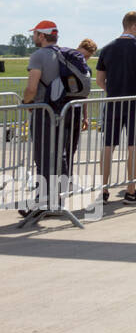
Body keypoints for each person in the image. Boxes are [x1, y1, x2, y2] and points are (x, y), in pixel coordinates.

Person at [19, 21, 76, 215]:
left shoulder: (38, 55)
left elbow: (32, 87)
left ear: (42, 36)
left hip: (44, 111)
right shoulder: (63, 53)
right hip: (63, 110)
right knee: (60, 153)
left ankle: (43, 201)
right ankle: (57, 197)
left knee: (43, 156)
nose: (33, 37)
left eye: (35, 33)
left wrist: (27, 102)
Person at [96, 12, 136, 202]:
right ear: (135, 26)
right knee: (134, 146)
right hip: (134, 102)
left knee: (108, 146)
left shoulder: (107, 48)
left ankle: (103, 190)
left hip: (113, 101)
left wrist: (112, 90)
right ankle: (130, 189)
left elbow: (99, 80)